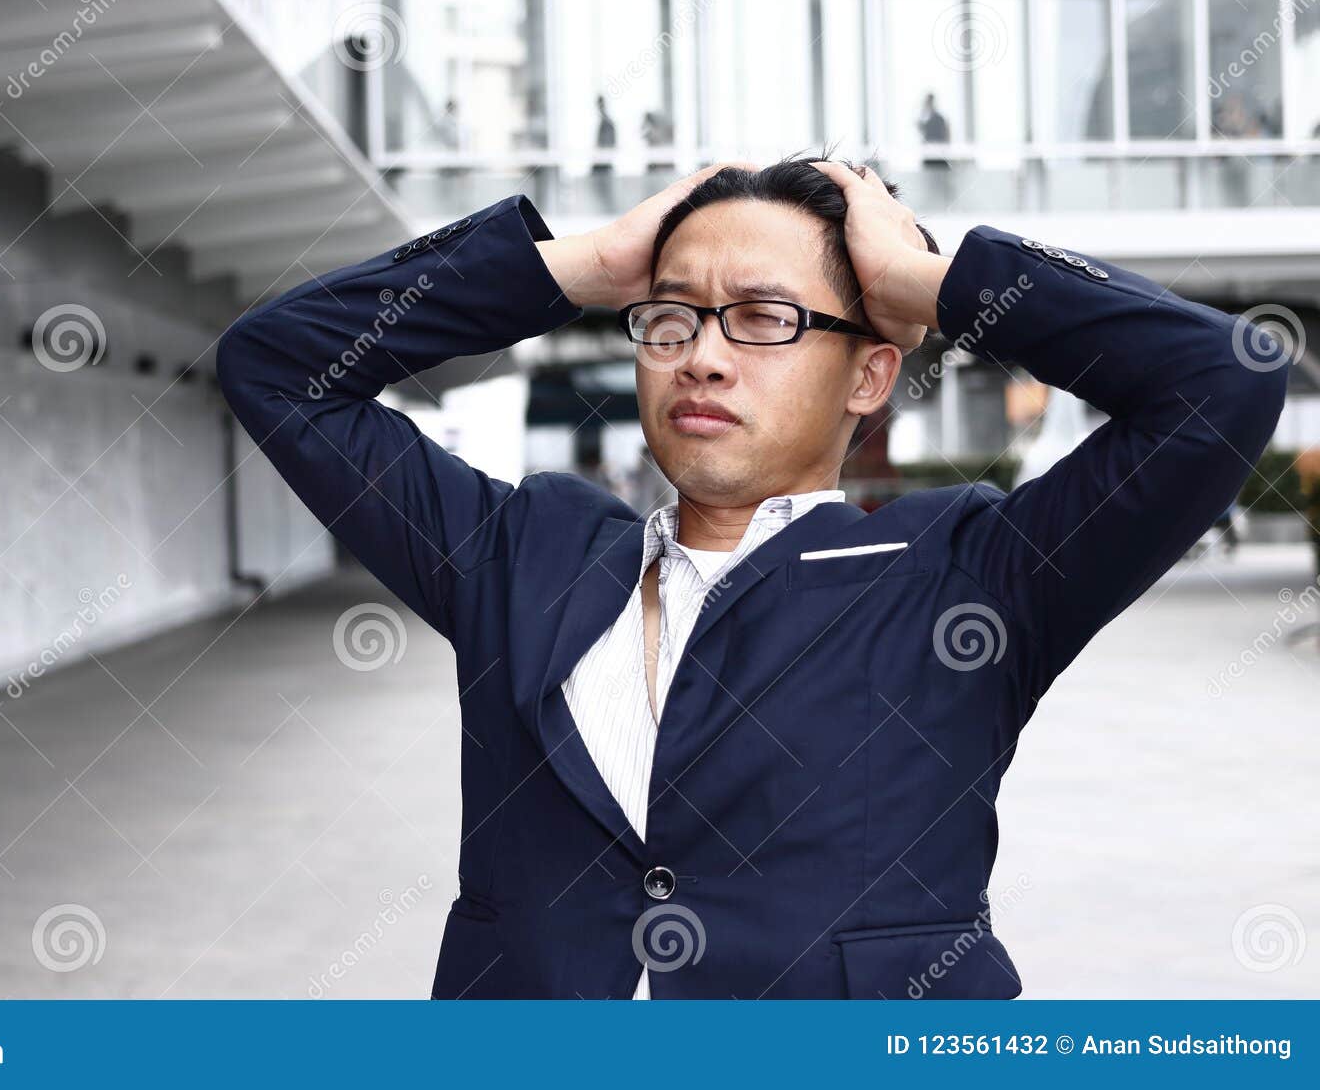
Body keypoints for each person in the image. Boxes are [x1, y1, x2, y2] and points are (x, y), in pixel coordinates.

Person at [217, 156, 1288, 998]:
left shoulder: (971, 578)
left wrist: (931, 281)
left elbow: (1221, 379)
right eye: (671, 317)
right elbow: (277, 367)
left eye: (767, 318)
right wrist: (572, 266)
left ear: (871, 370)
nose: (704, 355)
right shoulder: (521, 551)